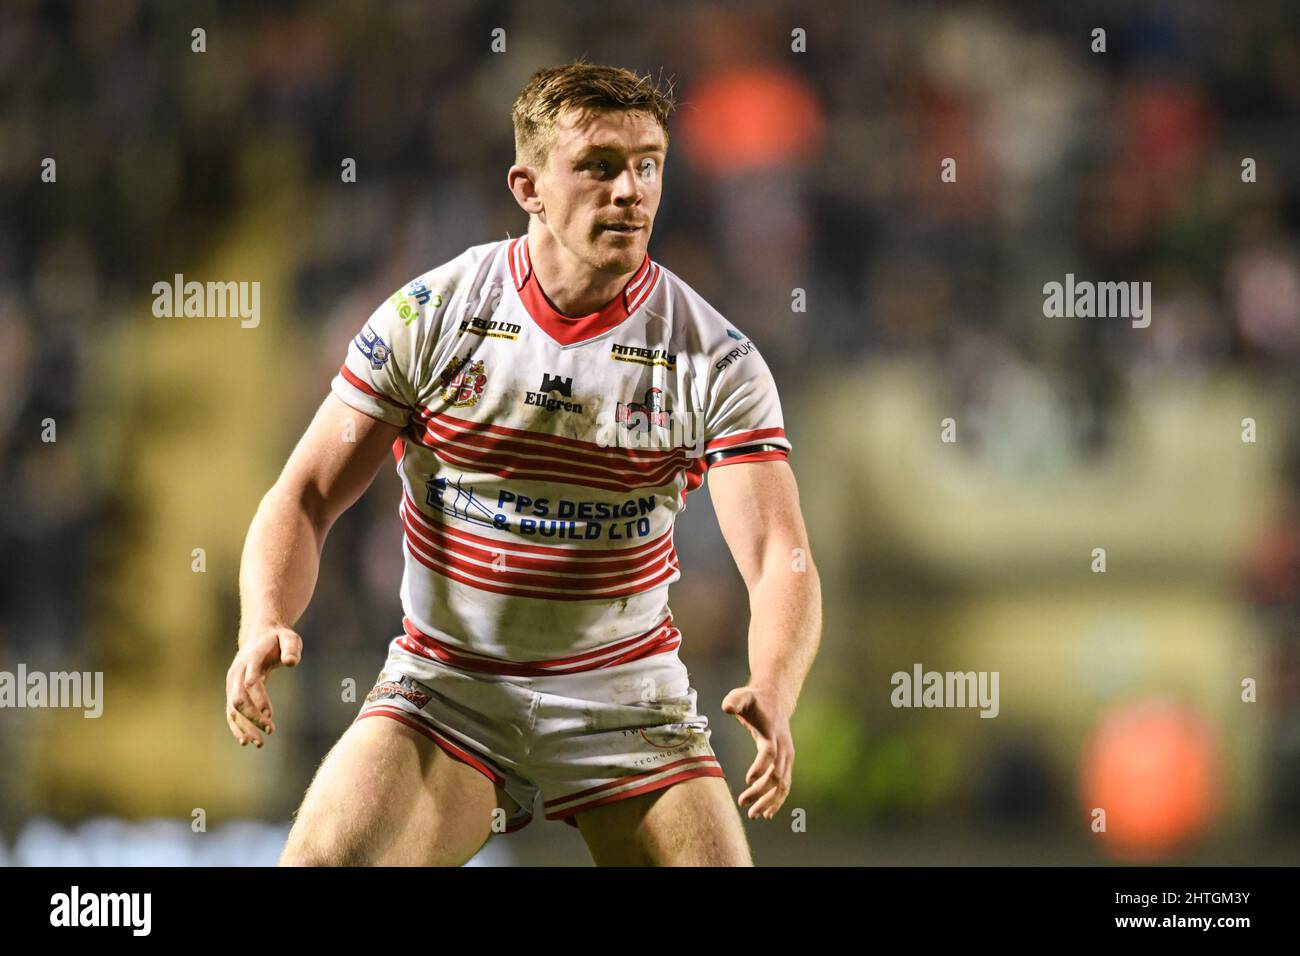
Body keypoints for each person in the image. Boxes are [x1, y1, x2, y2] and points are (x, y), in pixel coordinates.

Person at [224, 61, 821, 866]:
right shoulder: (433, 316)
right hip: (450, 690)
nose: (630, 190)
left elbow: (780, 557)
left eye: (648, 165)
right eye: (599, 166)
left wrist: (774, 685)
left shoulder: (714, 358)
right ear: (528, 186)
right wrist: (262, 618)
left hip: (626, 697)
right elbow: (303, 497)